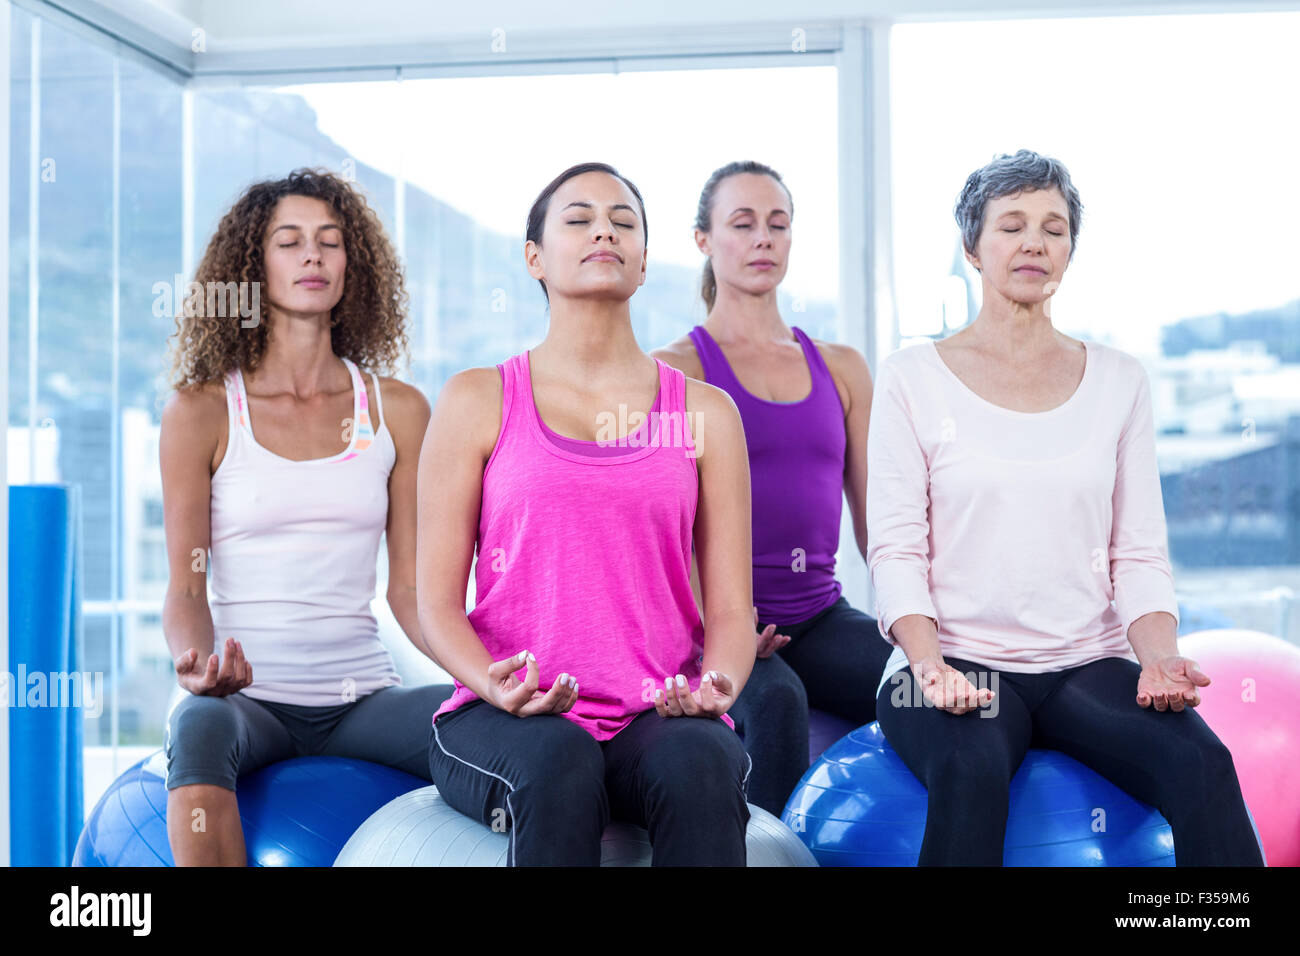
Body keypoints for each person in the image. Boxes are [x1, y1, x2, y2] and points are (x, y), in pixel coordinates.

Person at [867, 149, 1263, 866]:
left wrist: (1160, 660)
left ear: (1070, 251)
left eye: (1053, 228)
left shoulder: (1118, 380)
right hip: (958, 662)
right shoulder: (910, 377)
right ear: (971, 247)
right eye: (1011, 225)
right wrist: (926, 665)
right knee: (969, 770)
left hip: (1084, 661)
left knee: (1204, 766)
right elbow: (896, 548)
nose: (1034, 243)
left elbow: (1137, 552)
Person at [419, 162, 755, 866]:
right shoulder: (477, 400)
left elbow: (730, 609)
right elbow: (435, 603)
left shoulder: (705, 413)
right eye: (578, 218)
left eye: (623, 221)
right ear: (534, 256)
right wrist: (494, 685)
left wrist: (715, 685)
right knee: (561, 760)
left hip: (650, 713)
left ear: (641, 261)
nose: (604, 228)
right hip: (502, 717)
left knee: (703, 761)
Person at [160, 168, 454, 866]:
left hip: (363, 700)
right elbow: (186, 585)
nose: (314, 256)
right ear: (254, 267)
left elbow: (409, 592)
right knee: (198, 726)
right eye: (290, 242)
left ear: (354, 264)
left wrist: (482, 675)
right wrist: (195, 664)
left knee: (485, 725)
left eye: (330, 241)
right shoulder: (201, 411)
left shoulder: (399, 409)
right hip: (248, 700)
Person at [653, 161, 890, 815]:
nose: (763, 238)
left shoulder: (842, 369)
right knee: (779, 701)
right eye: (742, 223)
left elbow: (878, 520)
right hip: (716, 622)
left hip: (818, 615)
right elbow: (659, 528)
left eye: (777, 224)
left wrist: (916, 630)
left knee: (921, 685)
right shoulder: (676, 371)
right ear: (703, 239)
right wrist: (714, 627)